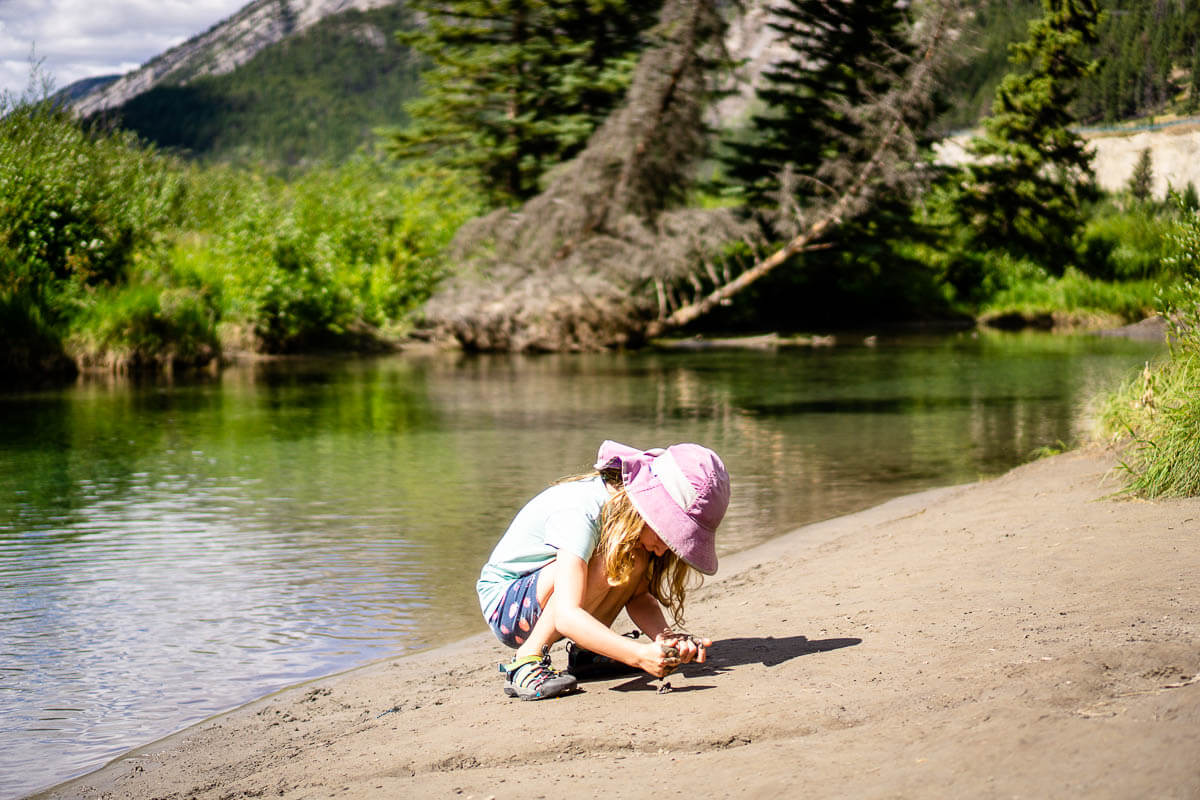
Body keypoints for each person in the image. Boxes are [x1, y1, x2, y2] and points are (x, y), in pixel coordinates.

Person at [476, 440, 731, 700]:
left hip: (550, 598)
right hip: (508, 604)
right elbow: (566, 615)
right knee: (611, 560)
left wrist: (664, 639)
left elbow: (638, 597)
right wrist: (638, 655)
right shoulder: (581, 512)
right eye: (671, 534)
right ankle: (526, 659)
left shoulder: (631, 532)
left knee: (628, 558)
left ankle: (589, 654)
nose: (666, 549)